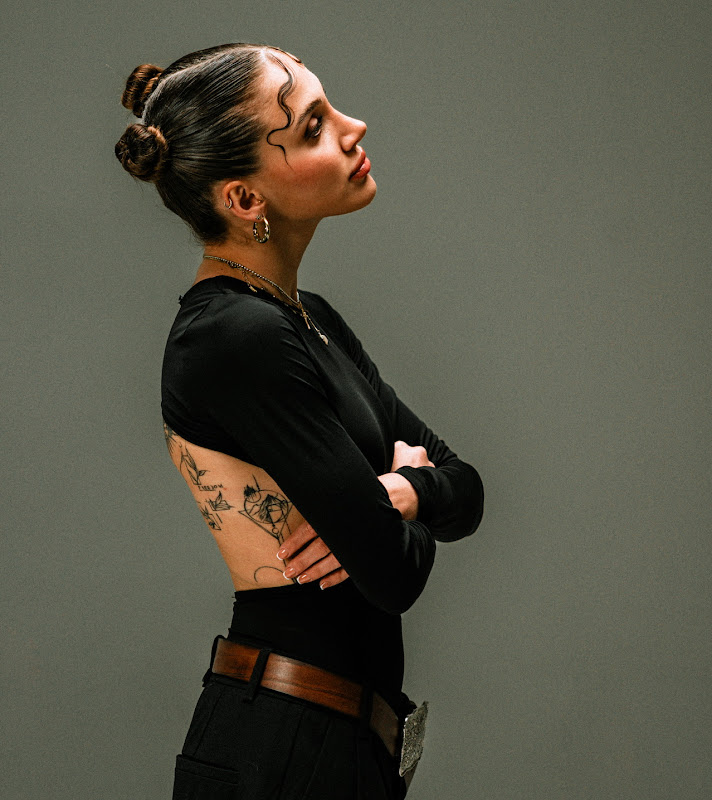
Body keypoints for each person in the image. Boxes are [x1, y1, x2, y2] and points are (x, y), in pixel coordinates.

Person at [114, 43, 483, 800]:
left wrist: (402, 491)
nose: (354, 127)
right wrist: (409, 490)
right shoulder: (234, 336)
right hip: (284, 750)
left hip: (333, 743)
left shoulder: (307, 319)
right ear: (245, 200)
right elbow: (394, 572)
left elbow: (467, 489)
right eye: (314, 126)